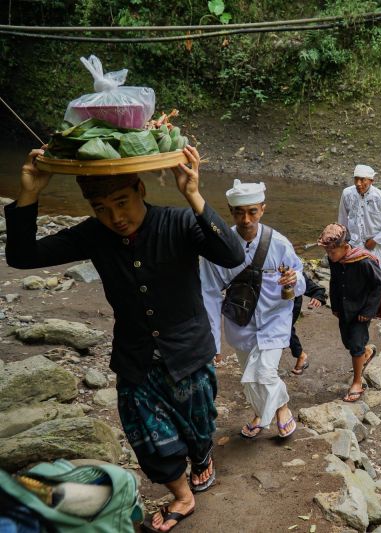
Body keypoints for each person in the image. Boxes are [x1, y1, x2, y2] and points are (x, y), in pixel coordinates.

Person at [5, 146, 244, 532]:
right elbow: (21, 255)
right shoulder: (93, 235)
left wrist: (193, 194)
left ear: (140, 190)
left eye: (121, 202)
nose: (115, 217)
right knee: (147, 434)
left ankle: (202, 458)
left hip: (189, 350)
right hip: (134, 356)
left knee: (199, 428)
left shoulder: (178, 223)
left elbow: (232, 254)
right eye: (101, 207)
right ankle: (182, 494)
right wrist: (31, 191)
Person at [200, 179, 304, 440]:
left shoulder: (279, 243)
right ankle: (261, 411)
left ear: (263, 209)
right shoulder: (218, 247)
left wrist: (294, 280)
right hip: (239, 320)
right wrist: (214, 343)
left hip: (274, 317)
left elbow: (300, 278)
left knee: (265, 372)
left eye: (252, 212)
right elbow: (209, 294)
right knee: (250, 376)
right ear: (230, 212)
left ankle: (281, 408)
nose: (246, 219)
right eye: (239, 212)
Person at [318, 223, 381, 403]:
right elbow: (334, 283)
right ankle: (366, 352)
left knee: (355, 344)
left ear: (344, 246)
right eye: (327, 253)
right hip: (343, 309)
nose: (330, 256)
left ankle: (358, 381)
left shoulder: (364, 261)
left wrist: (369, 310)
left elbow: (379, 284)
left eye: (332, 252)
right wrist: (334, 306)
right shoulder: (336, 261)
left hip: (361, 310)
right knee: (348, 342)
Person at [337, 164, 381, 270]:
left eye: (362, 180)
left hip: (374, 247)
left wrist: (375, 240)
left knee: (375, 278)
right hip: (353, 244)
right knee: (355, 277)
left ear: (371, 180)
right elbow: (343, 218)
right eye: (356, 179)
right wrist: (344, 240)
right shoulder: (347, 194)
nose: (358, 183)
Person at [288, 272, 327, 376]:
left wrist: (317, 297)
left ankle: (300, 355)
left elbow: (317, 290)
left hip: (290, 306)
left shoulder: (291, 266)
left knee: (285, 330)